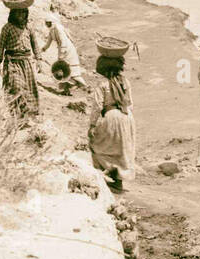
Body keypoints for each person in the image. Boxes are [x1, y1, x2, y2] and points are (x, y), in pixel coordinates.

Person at [87, 43, 135, 190]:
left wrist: (92, 125)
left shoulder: (102, 84)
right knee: (122, 149)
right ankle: (119, 179)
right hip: (127, 116)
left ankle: (110, 176)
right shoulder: (125, 82)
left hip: (111, 116)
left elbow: (97, 106)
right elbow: (130, 103)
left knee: (97, 145)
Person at [0, 2, 40, 119]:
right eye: (18, 13)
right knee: (16, 87)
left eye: (23, 13)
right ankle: (17, 115)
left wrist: (38, 58)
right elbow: (1, 45)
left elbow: (35, 44)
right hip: (12, 62)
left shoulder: (29, 27)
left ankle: (28, 115)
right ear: (13, 14)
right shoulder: (7, 27)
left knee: (29, 88)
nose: (21, 15)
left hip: (26, 62)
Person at [41, 13, 87, 91]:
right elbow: (49, 42)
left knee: (70, 68)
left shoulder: (58, 28)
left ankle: (83, 85)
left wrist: (62, 52)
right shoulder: (52, 30)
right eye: (46, 23)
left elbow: (63, 41)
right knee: (64, 70)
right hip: (62, 50)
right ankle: (68, 89)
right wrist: (43, 49)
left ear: (52, 22)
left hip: (68, 49)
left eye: (49, 23)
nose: (48, 25)